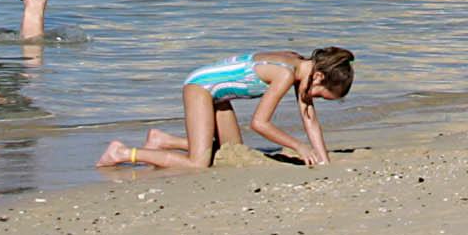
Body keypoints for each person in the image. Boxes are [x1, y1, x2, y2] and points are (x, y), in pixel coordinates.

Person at [100, 47, 355, 171]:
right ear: (319, 77)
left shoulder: (303, 69)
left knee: (232, 152)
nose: (314, 100)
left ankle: (162, 140)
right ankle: (122, 152)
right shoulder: (285, 74)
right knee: (198, 164)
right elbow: (260, 123)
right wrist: (298, 147)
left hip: (221, 96)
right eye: (321, 96)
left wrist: (324, 161)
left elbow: (309, 119)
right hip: (200, 87)